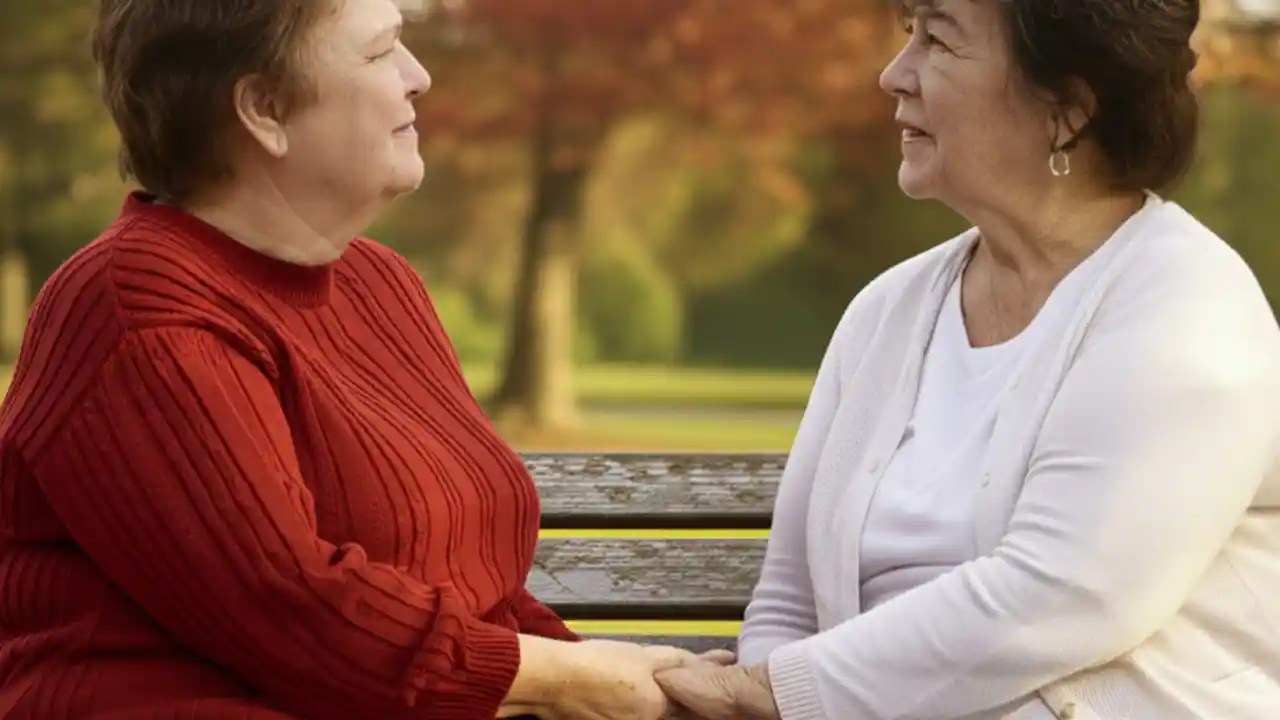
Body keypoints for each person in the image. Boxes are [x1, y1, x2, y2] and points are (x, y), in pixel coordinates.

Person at [0, 1, 723, 718]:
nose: (420, 77)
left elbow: (475, 587)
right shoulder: (137, 306)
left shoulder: (380, 286)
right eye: (381, 52)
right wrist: (570, 679)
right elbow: (288, 604)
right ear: (265, 109)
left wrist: (621, 679)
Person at [656, 0, 1280, 718]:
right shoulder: (887, 312)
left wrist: (774, 696)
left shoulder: (1186, 306)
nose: (895, 74)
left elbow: (1068, 594)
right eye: (907, 35)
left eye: (940, 41)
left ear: (1069, 108)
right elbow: (790, 597)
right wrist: (769, 697)